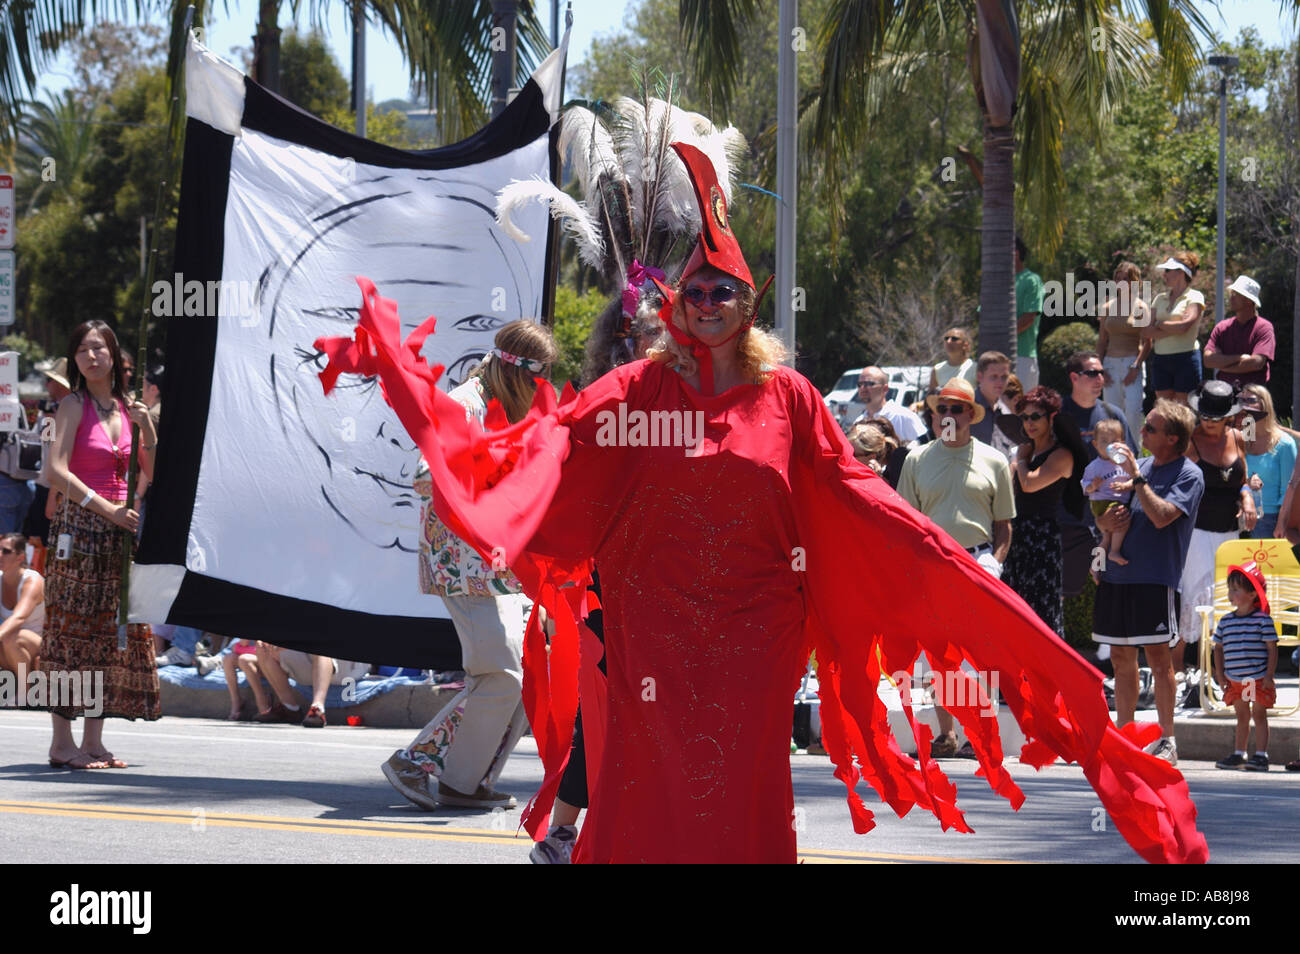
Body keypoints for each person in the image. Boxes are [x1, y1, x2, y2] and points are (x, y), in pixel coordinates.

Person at [317, 142, 1209, 863]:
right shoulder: (631, 390)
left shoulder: (787, 398)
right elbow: (551, 457)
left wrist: (946, 568)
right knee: (647, 789)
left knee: (739, 790)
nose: (707, 305)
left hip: (754, 636)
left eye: (725, 292)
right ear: (672, 304)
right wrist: (447, 429)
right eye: (694, 291)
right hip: (652, 627)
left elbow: (855, 494)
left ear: (749, 305)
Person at [382, 319, 558, 810]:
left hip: (497, 566)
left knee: (526, 675)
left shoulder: (505, 406)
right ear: (515, 369)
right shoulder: (465, 404)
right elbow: (425, 476)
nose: (539, 389)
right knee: (500, 676)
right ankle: (414, 762)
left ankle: (465, 780)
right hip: (462, 563)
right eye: (535, 378)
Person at [42, 320, 160, 769]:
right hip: (80, 528)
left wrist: (146, 426)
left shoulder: (128, 409)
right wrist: (105, 508)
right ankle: (61, 742)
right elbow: (56, 471)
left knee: (107, 638)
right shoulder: (71, 406)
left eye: (99, 349)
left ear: (114, 355)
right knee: (68, 635)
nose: (91, 357)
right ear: (75, 361)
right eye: (82, 351)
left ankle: (93, 740)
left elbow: (152, 467)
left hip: (119, 532)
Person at [898, 376, 1015, 755]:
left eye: (956, 409)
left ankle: (982, 734)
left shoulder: (995, 460)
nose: (948, 415)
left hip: (977, 562)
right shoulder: (917, 459)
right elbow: (905, 522)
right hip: (933, 565)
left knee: (982, 653)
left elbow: (1004, 526)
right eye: (941, 409)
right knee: (938, 654)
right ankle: (946, 734)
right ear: (933, 417)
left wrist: (994, 563)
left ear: (971, 415)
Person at [1094, 399, 1204, 765]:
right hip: (1117, 578)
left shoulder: (1189, 474)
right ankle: (1125, 736)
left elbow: (1161, 517)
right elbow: (1105, 519)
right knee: (1122, 659)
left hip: (1154, 580)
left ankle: (1167, 739)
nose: (1141, 431)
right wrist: (1104, 536)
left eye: (1151, 428)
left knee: (1160, 661)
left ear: (1172, 438)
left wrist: (1138, 479)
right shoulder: (1137, 466)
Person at [1179, 381, 1255, 673]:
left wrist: (1247, 497)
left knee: (1227, 596)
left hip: (1229, 532)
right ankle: (1181, 671)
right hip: (1197, 531)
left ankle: (1218, 669)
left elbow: (1242, 480)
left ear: (1229, 416)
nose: (1207, 422)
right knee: (1193, 597)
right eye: (1204, 415)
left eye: (1214, 417)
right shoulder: (1189, 441)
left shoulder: (1238, 437)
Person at [1001, 387, 1086, 638]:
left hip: (1042, 538)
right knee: (1013, 608)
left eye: (1035, 416)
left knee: (1041, 614)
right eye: (1025, 417)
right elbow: (1007, 487)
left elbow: (1029, 484)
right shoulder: (1026, 451)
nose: (1029, 423)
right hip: (1016, 534)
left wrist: (1021, 460)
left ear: (1051, 418)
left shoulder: (1062, 455)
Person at [1058, 351, 1135, 600]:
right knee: (1067, 593)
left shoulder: (1114, 416)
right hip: (1068, 521)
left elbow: (1134, 463)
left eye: (1102, 372)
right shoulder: (1058, 415)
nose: (1099, 378)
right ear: (1074, 377)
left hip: (1108, 521)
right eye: (1091, 373)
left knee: (1102, 583)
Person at [1211, 562, 1276, 771]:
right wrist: (1220, 675)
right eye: (1230, 589)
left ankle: (1261, 755)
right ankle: (1239, 753)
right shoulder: (1225, 621)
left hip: (1254, 678)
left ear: (1252, 594)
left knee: (1258, 714)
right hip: (1236, 678)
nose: (1230, 593)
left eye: (1236, 589)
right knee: (1241, 715)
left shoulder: (1262, 620)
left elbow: (1272, 649)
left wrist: (1269, 675)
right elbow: (1218, 648)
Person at [1096, 261, 1152, 440]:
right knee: (1111, 414)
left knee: (1134, 412)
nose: (1120, 282)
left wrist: (1136, 367)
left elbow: (1148, 342)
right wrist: (1099, 369)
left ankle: (1133, 453)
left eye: (1125, 279)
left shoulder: (1141, 307)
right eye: (1117, 278)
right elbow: (1102, 340)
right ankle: (1112, 454)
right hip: (1110, 365)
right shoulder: (1107, 306)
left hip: (1131, 363)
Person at [252, 643, 368, 727]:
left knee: (319, 642)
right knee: (263, 646)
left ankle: (317, 708)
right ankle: (290, 708)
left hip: (348, 666)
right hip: (311, 662)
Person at [1145, 252, 1205, 405]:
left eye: (1167, 271)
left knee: (1184, 410)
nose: (1164, 275)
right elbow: (1145, 331)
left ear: (1180, 272)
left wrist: (1159, 324)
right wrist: (1174, 329)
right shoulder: (1159, 298)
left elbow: (1184, 327)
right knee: (1164, 410)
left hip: (1186, 359)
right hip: (1160, 359)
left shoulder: (1195, 296)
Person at [1240, 385, 1295, 540]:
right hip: (1239, 514)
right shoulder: (1242, 438)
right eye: (1241, 400)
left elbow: (1289, 489)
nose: (1245, 404)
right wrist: (1246, 482)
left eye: (1251, 400)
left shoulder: (1284, 443)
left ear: (1265, 404)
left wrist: (1281, 524)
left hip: (1270, 519)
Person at [1203, 275, 1273, 389]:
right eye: (1231, 294)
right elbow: (1208, 360)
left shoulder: (1264, 327)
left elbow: (1256, 363)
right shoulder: (1222, 327)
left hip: (1252, 395)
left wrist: (1223, 366)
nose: (1231, 298)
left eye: (1236, 295)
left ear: (1249, 300)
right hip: (1223, 393)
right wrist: (1239, 358)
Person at [1081, 419, 1133, 567]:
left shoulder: (1126, 462)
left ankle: (1097, 566)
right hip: (1102, 502)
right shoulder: (1094, 466)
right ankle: (1114, 551)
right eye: (1104, 441)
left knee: (1105, 538)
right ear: (1095, 444)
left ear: (1123, 443)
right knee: (1121, 520)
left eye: (1114, 441)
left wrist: (1125, 486)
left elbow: (1135, 479)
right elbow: (1084, 487)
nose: (1110, 446)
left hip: (1117, 500)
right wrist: (1092, 485)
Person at [0, 532, 45, 680]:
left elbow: (19, 618)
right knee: (7, 639)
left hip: (39, 646)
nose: (0, 554)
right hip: (13, 650)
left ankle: (24, 695)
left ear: (21, 557)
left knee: (11, 637)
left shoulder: (32, 580)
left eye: (6, 551)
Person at [969, 351, 1022, 460]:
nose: (1000, 382)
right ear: (979, 377)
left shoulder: (1006, 412)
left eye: (1004, 377)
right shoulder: (965, 409)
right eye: (994, 377)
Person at [853, 366, 926, 443]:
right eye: (860, 384)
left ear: (885, 389)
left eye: (869, 383)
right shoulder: (858, 422)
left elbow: (925, 447)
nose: (862, 388)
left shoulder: (904, 416)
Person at [1014, 236, 1045, 390]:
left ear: (1016, 253)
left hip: (1022, 357)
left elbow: (1028, 319)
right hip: (994, 355)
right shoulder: (994, 280)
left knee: (1023, 409)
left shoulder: (1031, 280)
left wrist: (1003, 338)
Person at [927, 328, 978, 395]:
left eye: (954, 339)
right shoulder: (937, 369)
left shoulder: (976, 368)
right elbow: (931, 397)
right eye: (946, 338)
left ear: (965, 344)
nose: (948, 341)